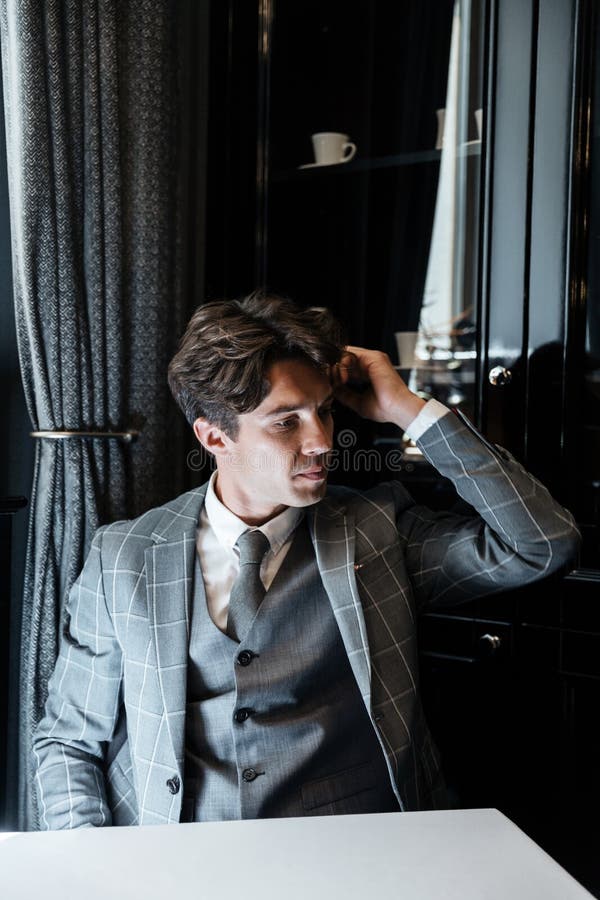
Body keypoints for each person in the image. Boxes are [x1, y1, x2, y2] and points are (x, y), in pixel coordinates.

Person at [33, 292, 580, 828]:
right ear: (214, 436)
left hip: (351, 850)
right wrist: (92, 857)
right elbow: (68, 740)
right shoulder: (123, 555)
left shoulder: (379, 531)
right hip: (174, 858)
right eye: (285, 421)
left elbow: (543, 543)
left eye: (323, 411)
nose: (322, 440)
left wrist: (409, 411)